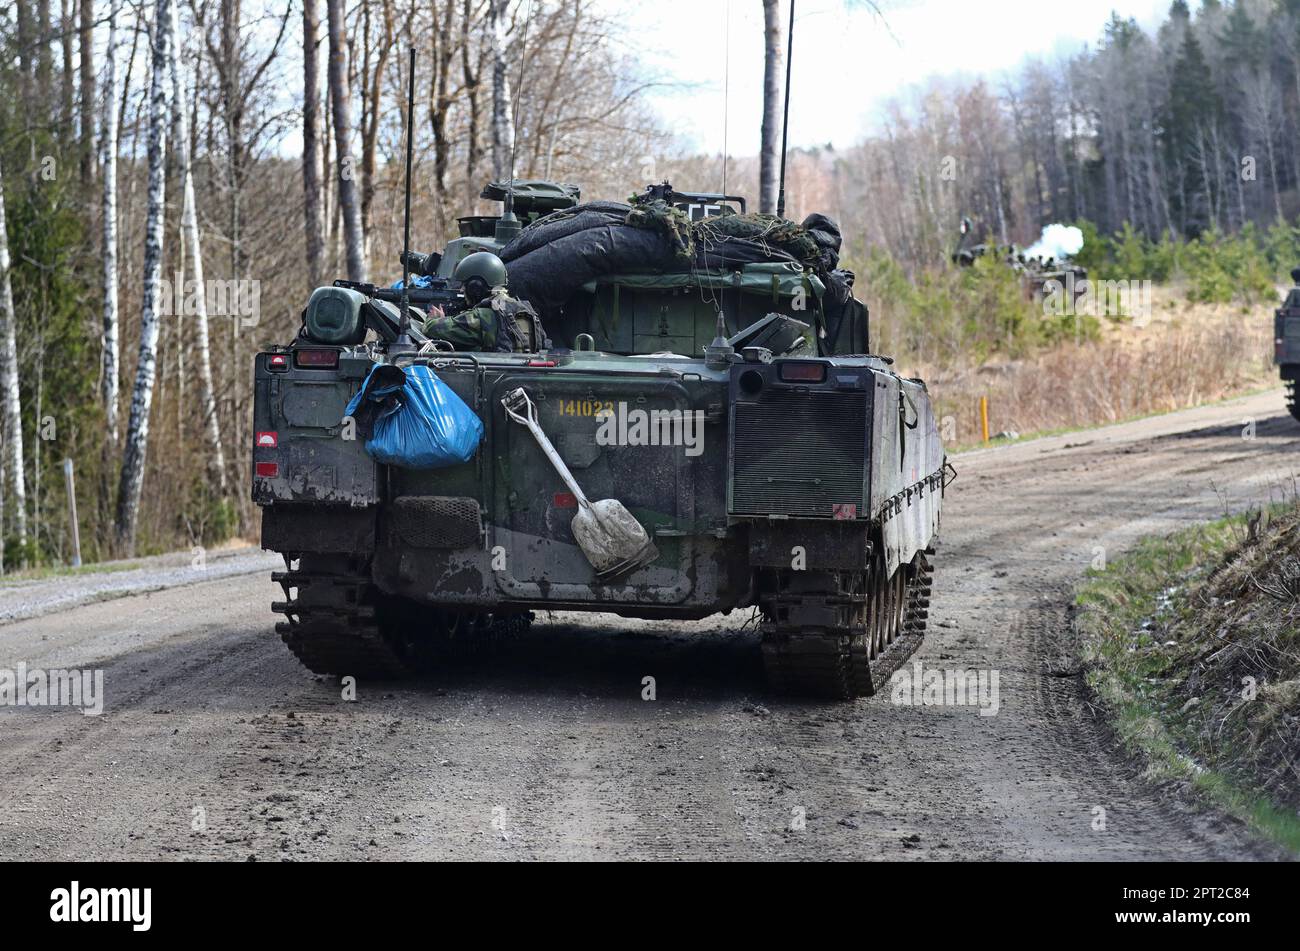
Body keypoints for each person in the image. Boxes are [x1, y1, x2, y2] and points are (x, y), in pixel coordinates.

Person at [422, 252, 546, 352]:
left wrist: (434, 318)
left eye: (465, 285)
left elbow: (432, 328)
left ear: (476, 287)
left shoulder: (484, 316)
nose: (461, 289)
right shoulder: (526, 310)